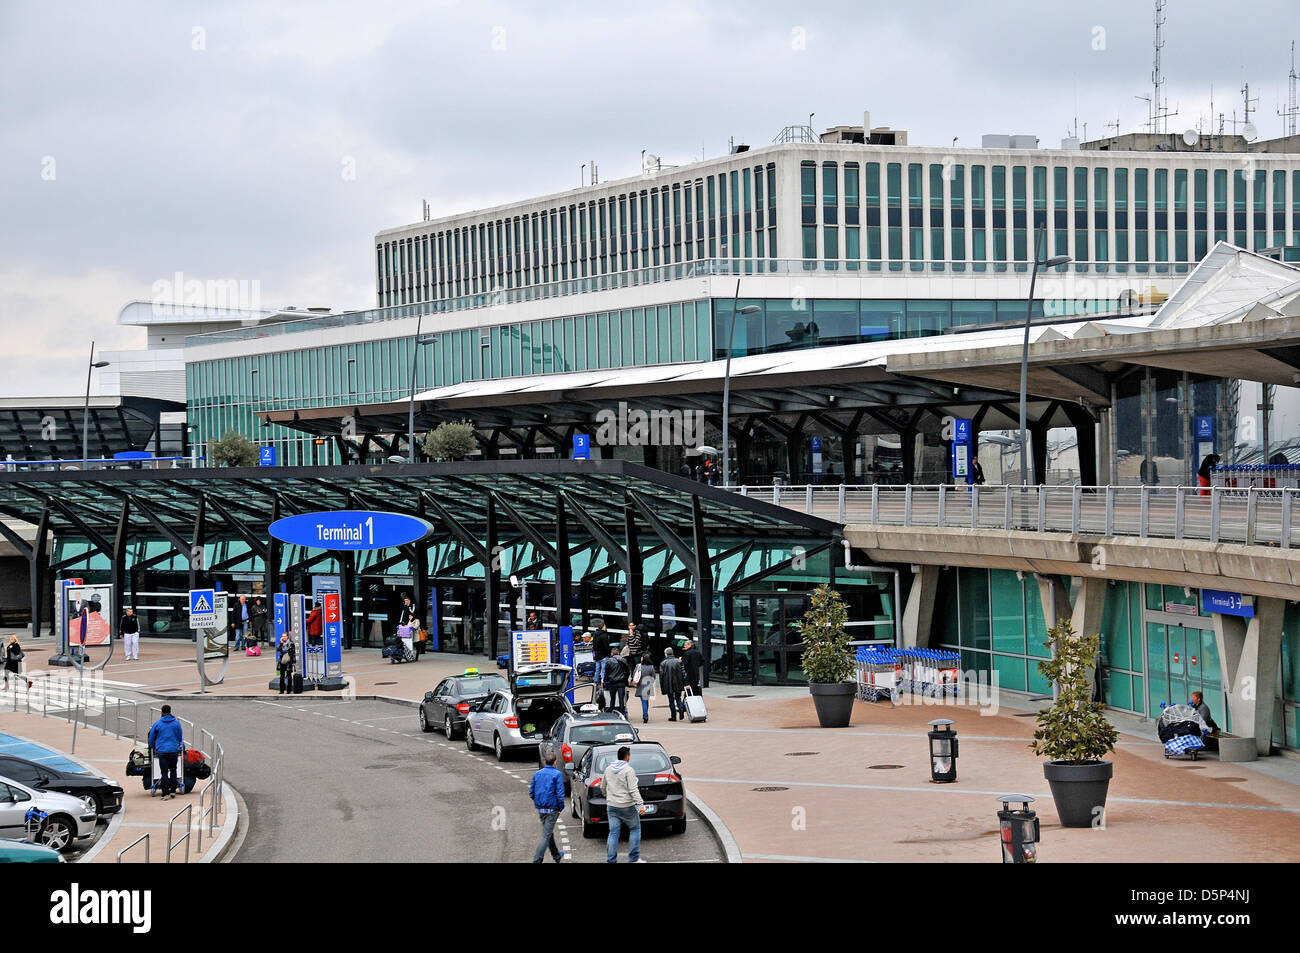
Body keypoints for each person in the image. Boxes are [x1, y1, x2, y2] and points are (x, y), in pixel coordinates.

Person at [603, 745, 646, 863]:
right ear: (627, 757)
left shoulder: (608, 769)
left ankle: (611, 860)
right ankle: (633, 859)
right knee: (635, 829)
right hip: (627, 806)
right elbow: (633, 790)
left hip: (612, 806)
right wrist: (640, 805)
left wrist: (608, 797)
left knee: (613, 833)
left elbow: (603, 787)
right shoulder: (629, 770)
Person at [528, 752, 567, 863]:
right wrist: (561, 807)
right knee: (546, 835)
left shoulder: (537, 774)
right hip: (552, 809)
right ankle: (537, 860)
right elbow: (560, 794)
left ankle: (556, 856)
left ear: (545, 762)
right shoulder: (557, 774)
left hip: (541, 809)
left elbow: (531, 793)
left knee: (548, 833)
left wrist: (539, 803)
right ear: (555, 762)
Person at [148, 704, 184, 800]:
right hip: (173, 750)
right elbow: (180, 736)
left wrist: (154, 747)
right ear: (170, 711)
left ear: (162, 712)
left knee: (164, 772)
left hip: (162, 751)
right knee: (173, 770)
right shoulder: (176, 723)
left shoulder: (157, 724)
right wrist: (177, 745)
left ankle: (165, 794)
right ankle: (173, 791)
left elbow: (151, 739)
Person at [659, 646, 685, 721]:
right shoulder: (679, 661)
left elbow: (661, 676)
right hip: (678, 683)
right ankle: (681, 709)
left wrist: (662, 687)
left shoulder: (663, 663)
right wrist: (684, 682)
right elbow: (684, 673)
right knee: (678, 698)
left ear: (666, 654)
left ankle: (673, 716)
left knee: (671, 700)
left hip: (668, 684)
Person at [591, 620, 611, 707]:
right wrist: (608, 654)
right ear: (603, 626)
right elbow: (606, 646)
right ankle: (603, 683)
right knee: (603, 670)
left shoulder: (595, 634)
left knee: (597, 670)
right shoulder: (604, 635)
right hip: (603, 655)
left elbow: (594, 645)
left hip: (597, 655)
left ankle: (596, 682)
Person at [603, 650, 629, 716]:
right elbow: (627, 671)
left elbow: (606, 673)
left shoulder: (608, 661)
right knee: (621, 699)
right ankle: (622, 713)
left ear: (612, 653)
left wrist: (605, 680)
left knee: (612, 698)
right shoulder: (623, 660)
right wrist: (626, 678)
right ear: (618, 653)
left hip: (612, 682)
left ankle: (612, 712)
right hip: (621, 682)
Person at [634, 653, 656, 724]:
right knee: (645, 701)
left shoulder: (638, 666)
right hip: (648, 685)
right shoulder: (651, 667)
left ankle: (645, 716)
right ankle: (645, 715)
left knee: (643, 702)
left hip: (640, 685)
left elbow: (634, 675)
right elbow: (654, 677)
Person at [277, 630, 297, 694]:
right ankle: (281, 690)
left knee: (289, 675)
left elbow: (293, 653)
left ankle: (289, 689)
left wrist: (294, 662)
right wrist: (281, 643)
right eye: (283, 636)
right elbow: (278, 649)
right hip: (282, 660)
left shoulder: (291, 643)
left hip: (289, 661)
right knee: (282, 676)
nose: (284, 637)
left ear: (288, 637)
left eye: (285, 636)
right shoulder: (281, 643)